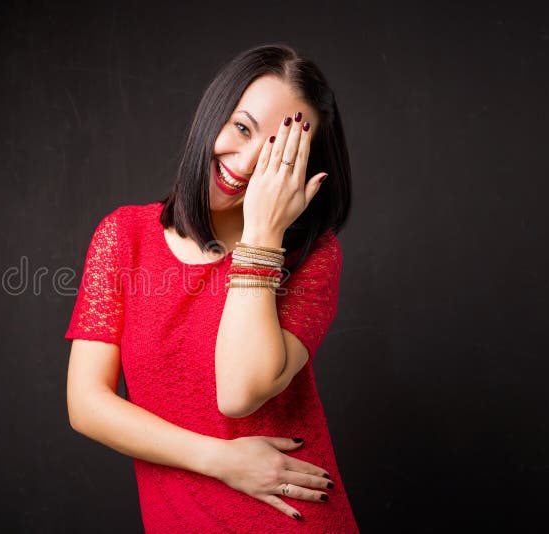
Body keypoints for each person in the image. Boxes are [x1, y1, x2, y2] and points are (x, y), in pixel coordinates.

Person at [65, 43, 358, 532]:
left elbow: (238, 394)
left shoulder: (313, 256)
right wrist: (223, 460)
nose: (244, 164)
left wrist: (263, 236)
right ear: (213, 114)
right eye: (241, 128)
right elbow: (87, 404)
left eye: (275, 157)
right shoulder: (124, 236)